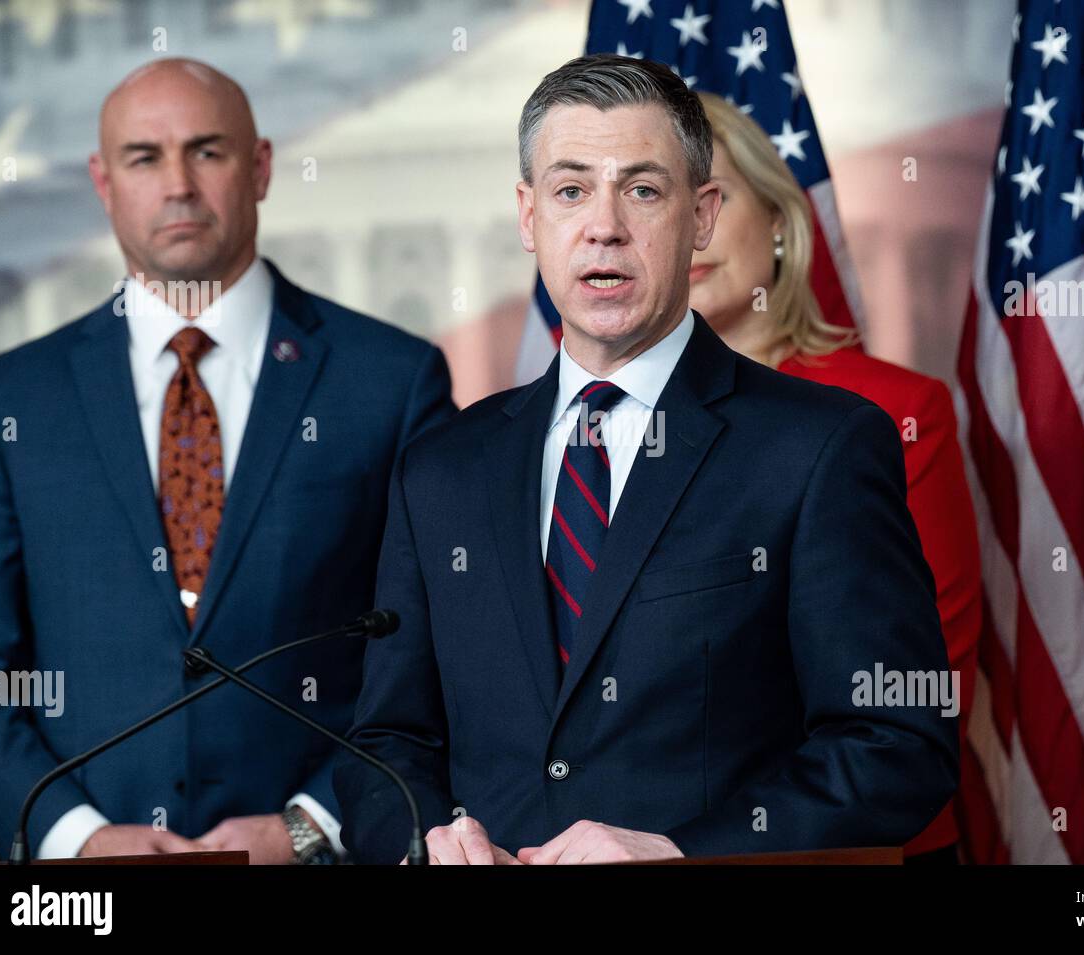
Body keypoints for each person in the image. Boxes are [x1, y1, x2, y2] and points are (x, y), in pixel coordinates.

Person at [335, 54, 957, 865]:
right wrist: (426, 847)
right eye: (569, 191)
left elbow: (898, 743)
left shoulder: (820, 447)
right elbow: (389, 737)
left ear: (701, 216)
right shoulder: (442, 467)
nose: (604, 226)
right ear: (528, 218)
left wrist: (683, 852)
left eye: (642, 189)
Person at [0, 59, 455, 863]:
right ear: (102, 181)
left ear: (259, 167)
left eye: (208, 151)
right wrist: (74, 838)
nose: (178, 184)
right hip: (82, 897)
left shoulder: (391, 381)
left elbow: (439, 645)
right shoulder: (12, 397)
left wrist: (310, 826)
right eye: (144, 157)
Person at [687, 93, 982, 862]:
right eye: (659, 199)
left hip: (851, 847)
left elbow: (923, 689)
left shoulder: (893, 410)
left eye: (711, 195)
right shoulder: (595, 429)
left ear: (782, 223)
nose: (688, 229)